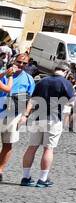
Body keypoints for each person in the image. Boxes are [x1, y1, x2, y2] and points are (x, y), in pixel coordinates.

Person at [18, 63, 74, 188]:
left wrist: (26, 115)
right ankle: (42, 179)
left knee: (31, 147)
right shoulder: (66, 83)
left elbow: (32, 100)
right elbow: (72, 102)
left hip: (37, 117)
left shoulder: (42, 81)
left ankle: (25, 177)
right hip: (53, 118)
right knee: (48, 148)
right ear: (66, 71)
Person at [0, 54, 36, 183]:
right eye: (19, 62)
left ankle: (0, 170)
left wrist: (25, 115)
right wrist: (5, 73)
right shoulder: (3, 73)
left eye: (24, 63)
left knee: (8, 144)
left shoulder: (29, 79)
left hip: (14, 115)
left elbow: (31, 99)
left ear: (27, 64)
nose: (21, 65)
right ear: (13, 60)